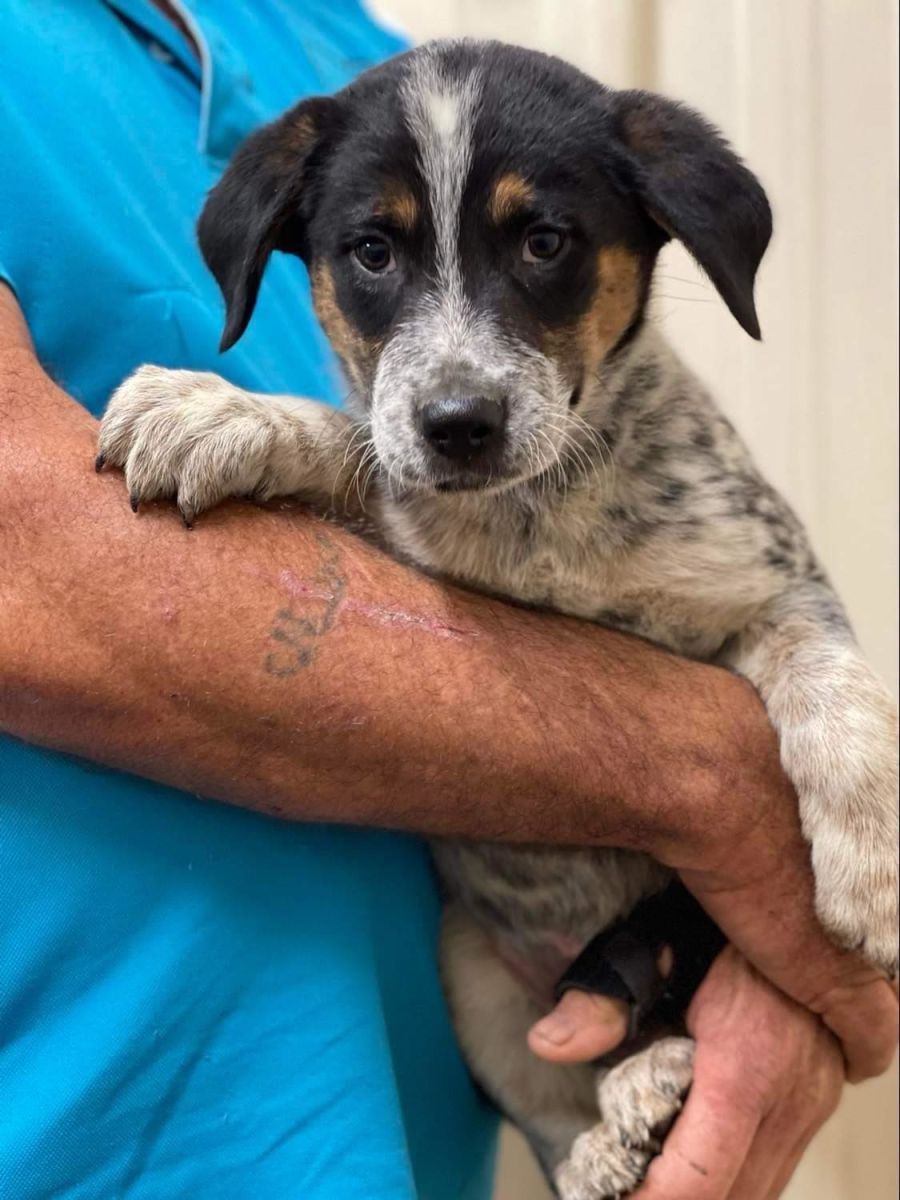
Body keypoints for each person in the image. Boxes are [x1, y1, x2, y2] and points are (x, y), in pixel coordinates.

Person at [0, 4, 894, 1199]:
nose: (456, 383)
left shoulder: (319, 34)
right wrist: (720, 804)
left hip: (399, 1142)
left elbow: (779, 622)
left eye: (544, 244)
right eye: (375, 254)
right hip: (96, 1125)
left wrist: (784, 952)